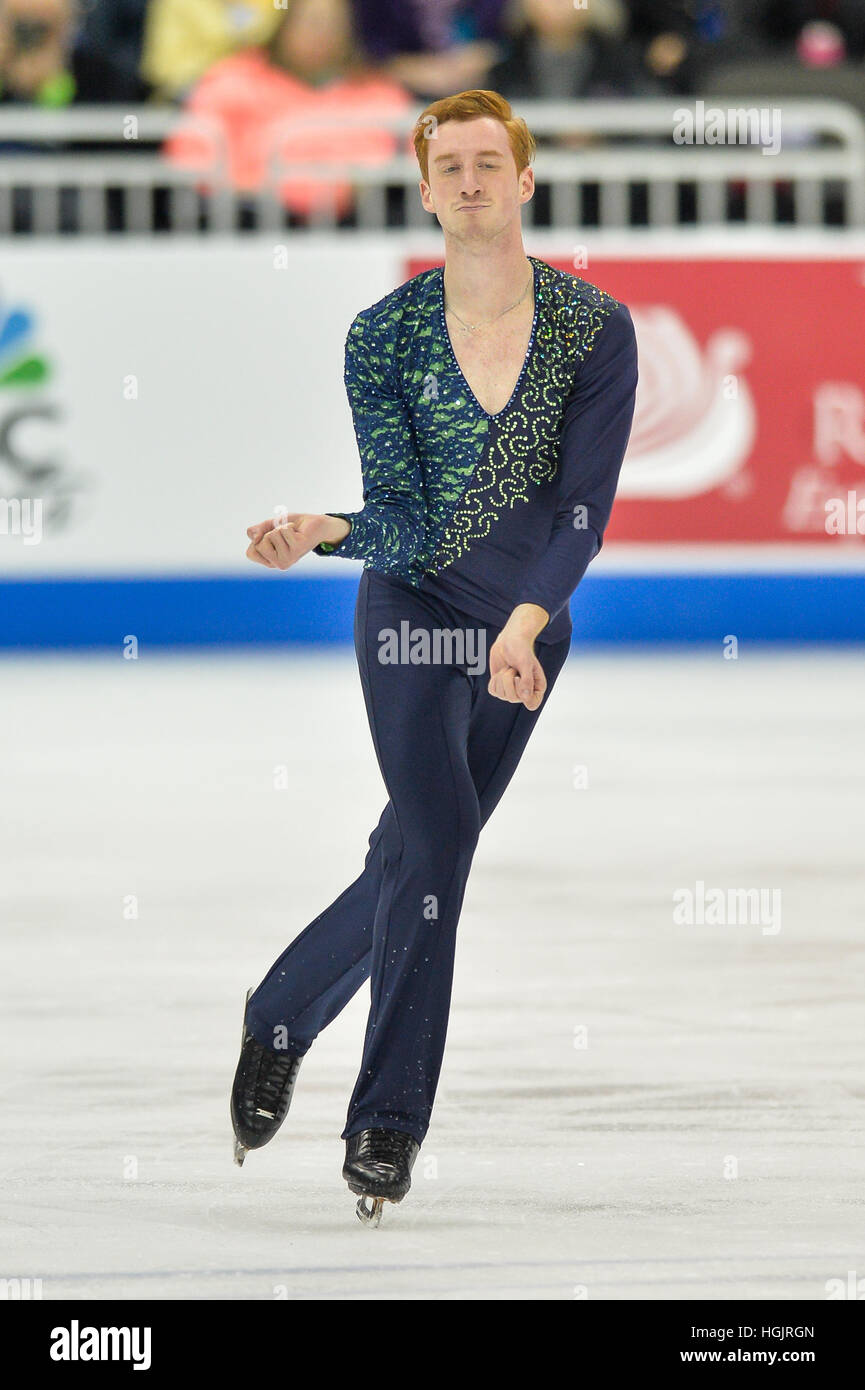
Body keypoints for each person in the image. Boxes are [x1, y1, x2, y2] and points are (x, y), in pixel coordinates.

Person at [231, 88, 639, 1224]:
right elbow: (406, 519)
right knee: (443, 844)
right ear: (424, 189)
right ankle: (387, 1123)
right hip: (410, 612)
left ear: (523, 181)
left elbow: (580, 510)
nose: (467, 181)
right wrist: (329, 530)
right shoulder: (384, 334)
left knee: (405, 855)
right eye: (445, 164)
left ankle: (278, 1010)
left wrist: (523, 619)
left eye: (485, 162)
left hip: (525, 626)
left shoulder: (592, 329)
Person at [162, 0, 411, 225]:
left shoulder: (378, 91)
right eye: (312, 22)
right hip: (250, 223)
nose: (323, 34)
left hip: (352, 228)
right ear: (282, 24)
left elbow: (410, 157)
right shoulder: (230, 82)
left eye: (335, 24)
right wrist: (260, 186)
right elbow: (190, 156)